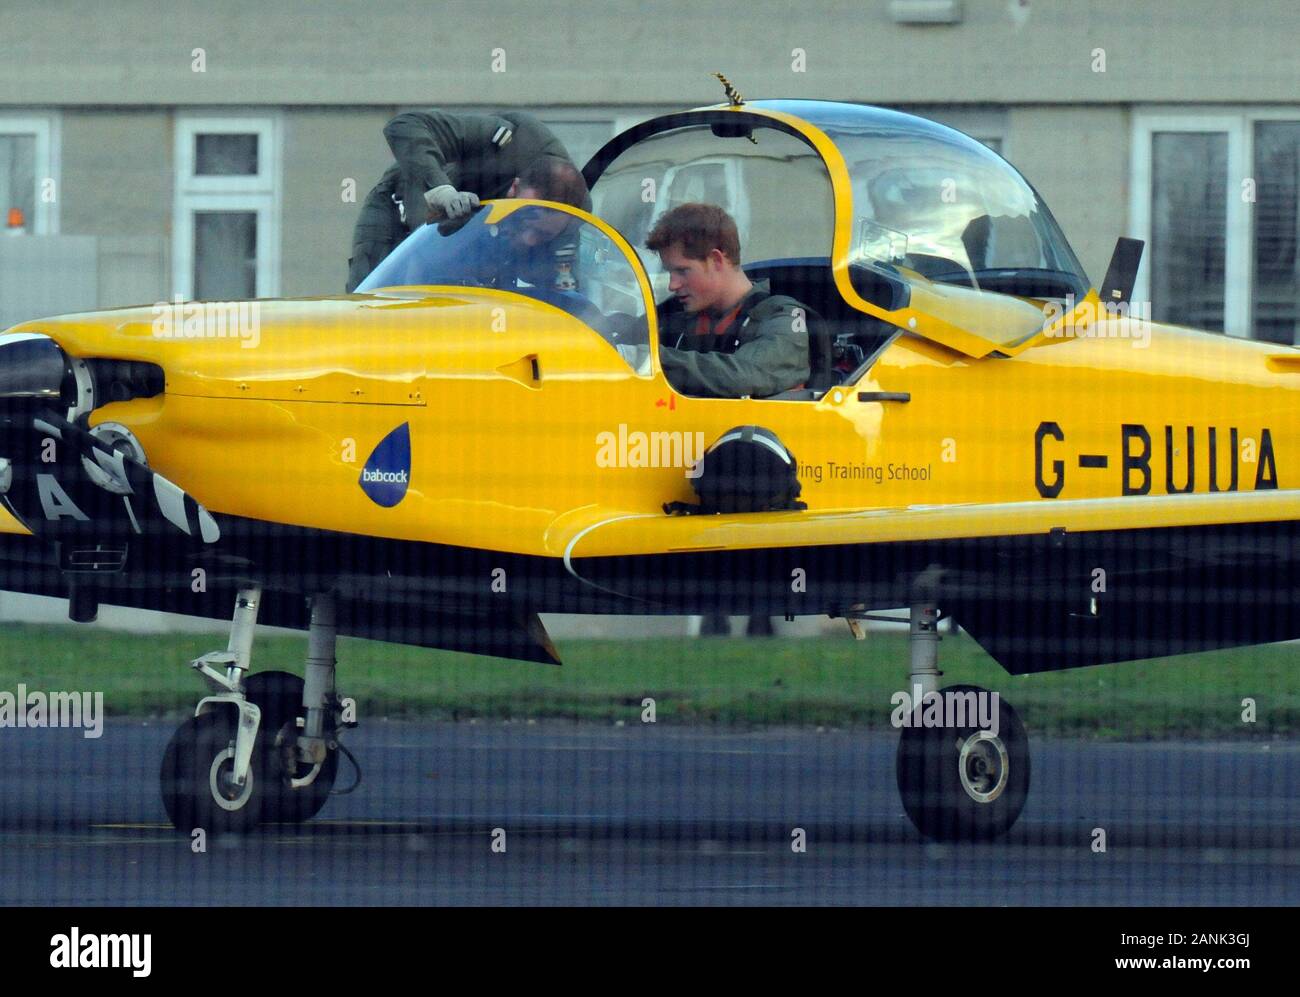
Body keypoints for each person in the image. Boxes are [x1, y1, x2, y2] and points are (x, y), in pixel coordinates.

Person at [347, 109, 590, 292]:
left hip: (468, 234)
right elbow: (403, 126)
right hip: (399, 207)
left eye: (543, 235)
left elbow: (558, 286)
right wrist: (441, 189)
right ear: (514, 187)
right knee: (370, 310)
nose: (528, 239)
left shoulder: (573, 214)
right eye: (524, 221)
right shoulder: (506, 139)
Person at [647, 203, 811, 398]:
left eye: (682, 271)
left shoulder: (786, 318)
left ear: (716, 259)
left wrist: (644, 359)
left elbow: (744, 376)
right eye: (670, 272)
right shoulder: (680, 321)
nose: (672, 285)